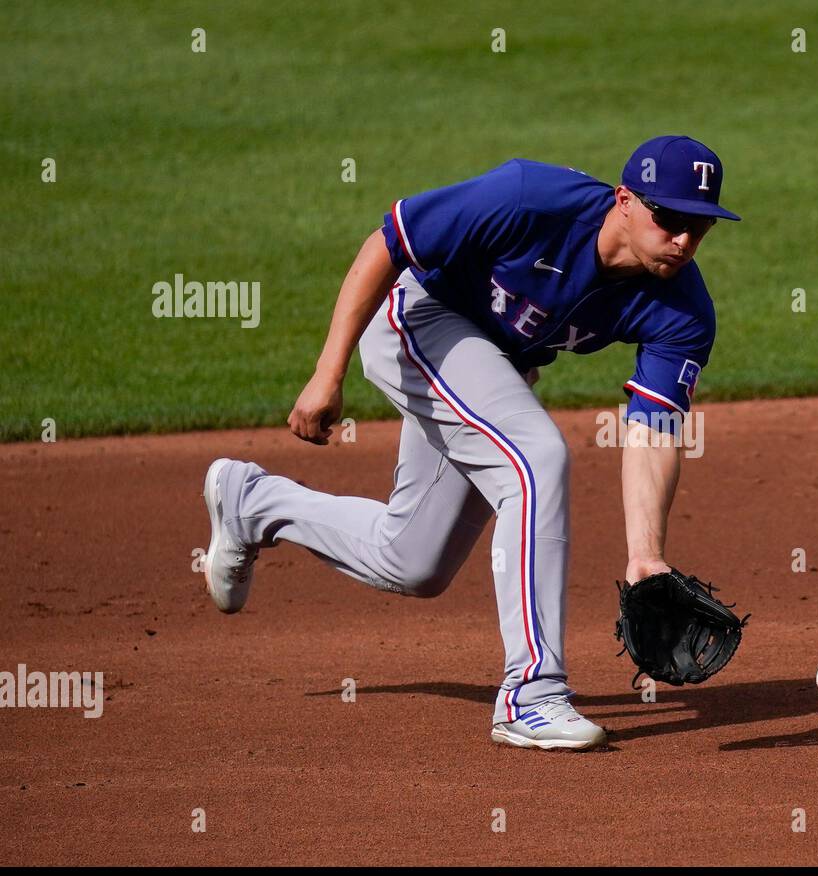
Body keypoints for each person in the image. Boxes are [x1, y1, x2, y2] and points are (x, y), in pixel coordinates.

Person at [200, 135, 740, 750]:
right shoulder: (530, 198)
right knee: (536, 459)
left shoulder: (684, 309)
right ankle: (531, 694)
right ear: (623, 200)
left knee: (412, 561)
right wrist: (329, 371)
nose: (683, 240)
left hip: (489, 369)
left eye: (700, 227)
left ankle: (252, 502)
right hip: (419, 321)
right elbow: (389, 242)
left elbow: (652, 427)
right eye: (668, 218)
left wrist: (645, 556)